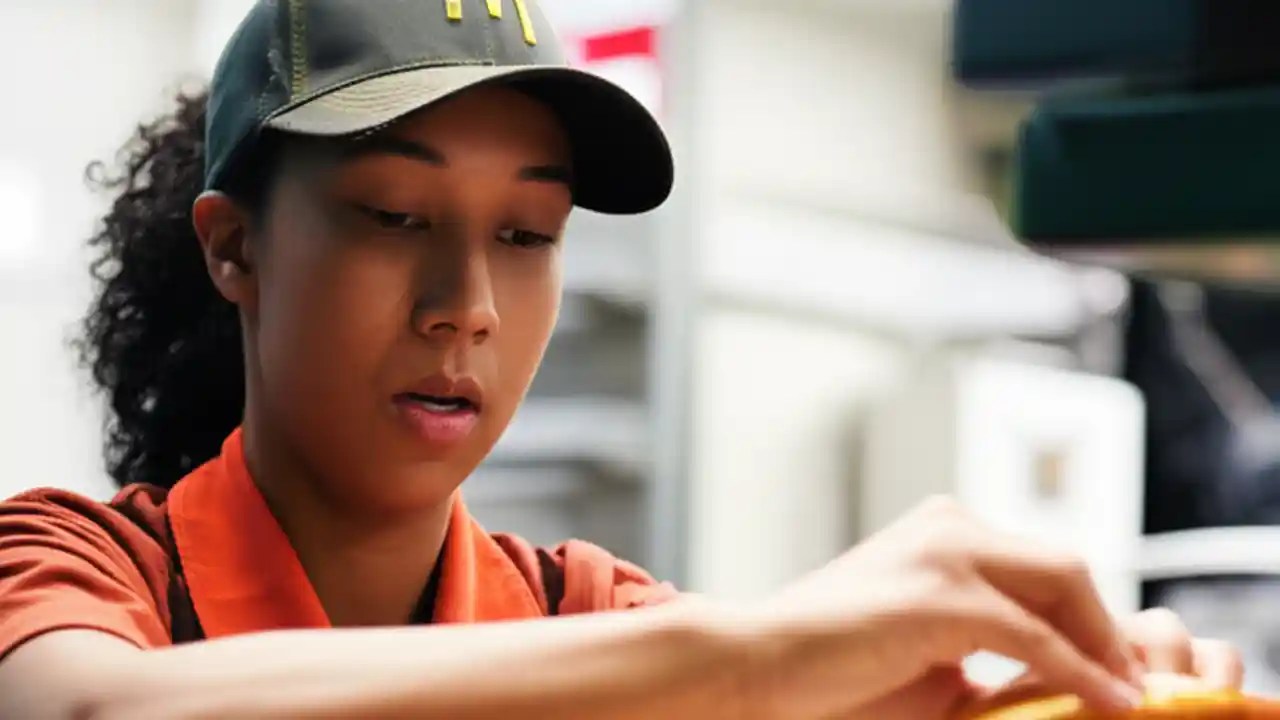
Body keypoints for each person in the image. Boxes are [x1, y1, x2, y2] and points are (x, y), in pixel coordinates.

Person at [0, 1, 1244, 718]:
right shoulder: (73, 569)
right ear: (234, 251)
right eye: (391, 216)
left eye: (527, 234)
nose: (467, 306)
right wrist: (762, 655)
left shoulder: (584, 615)